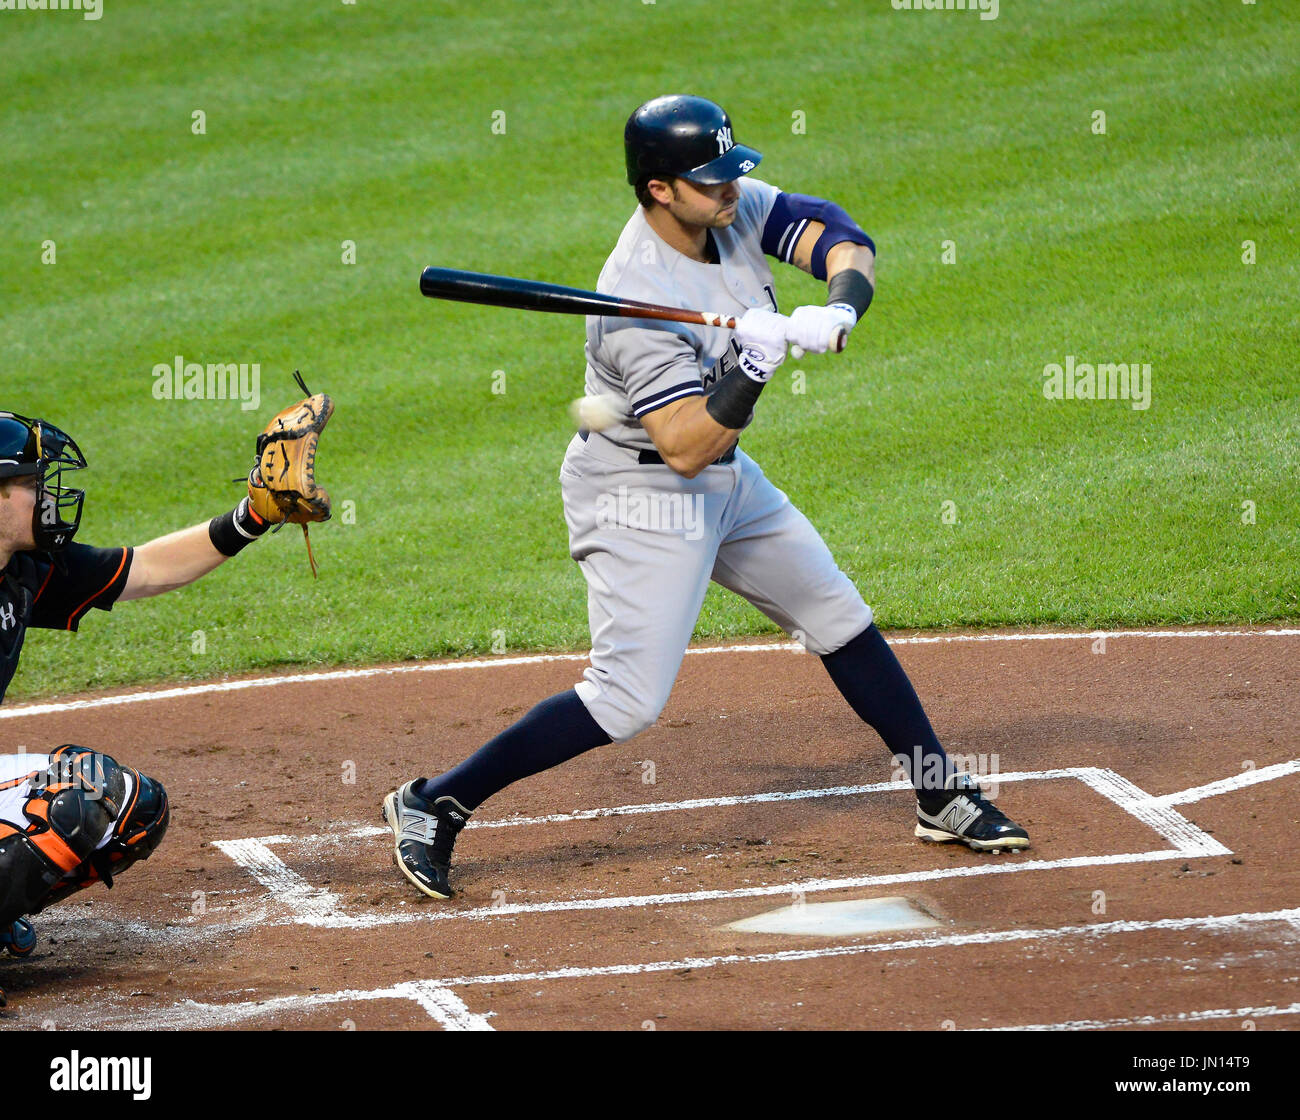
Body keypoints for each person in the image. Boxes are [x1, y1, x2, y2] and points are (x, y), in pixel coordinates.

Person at [383, 95, 1028, 901]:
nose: (732, 189)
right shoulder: (631, 301)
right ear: (659, 189)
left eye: (733, 172)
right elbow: (687, 447)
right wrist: (751, 370)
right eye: (711, 178)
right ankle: (434, 802)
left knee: (836, 615)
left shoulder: (733, 207)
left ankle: (940, 793)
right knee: (625, 701)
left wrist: (838, 306)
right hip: (640, 491)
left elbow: (840, 235)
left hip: (722, 477)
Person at [0, 398, 329, 1003]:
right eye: (29, 483)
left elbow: (147, 569)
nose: (47, 497)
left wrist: (252, 515)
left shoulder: (23, 569)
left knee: (126, 805)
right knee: (70, 811)